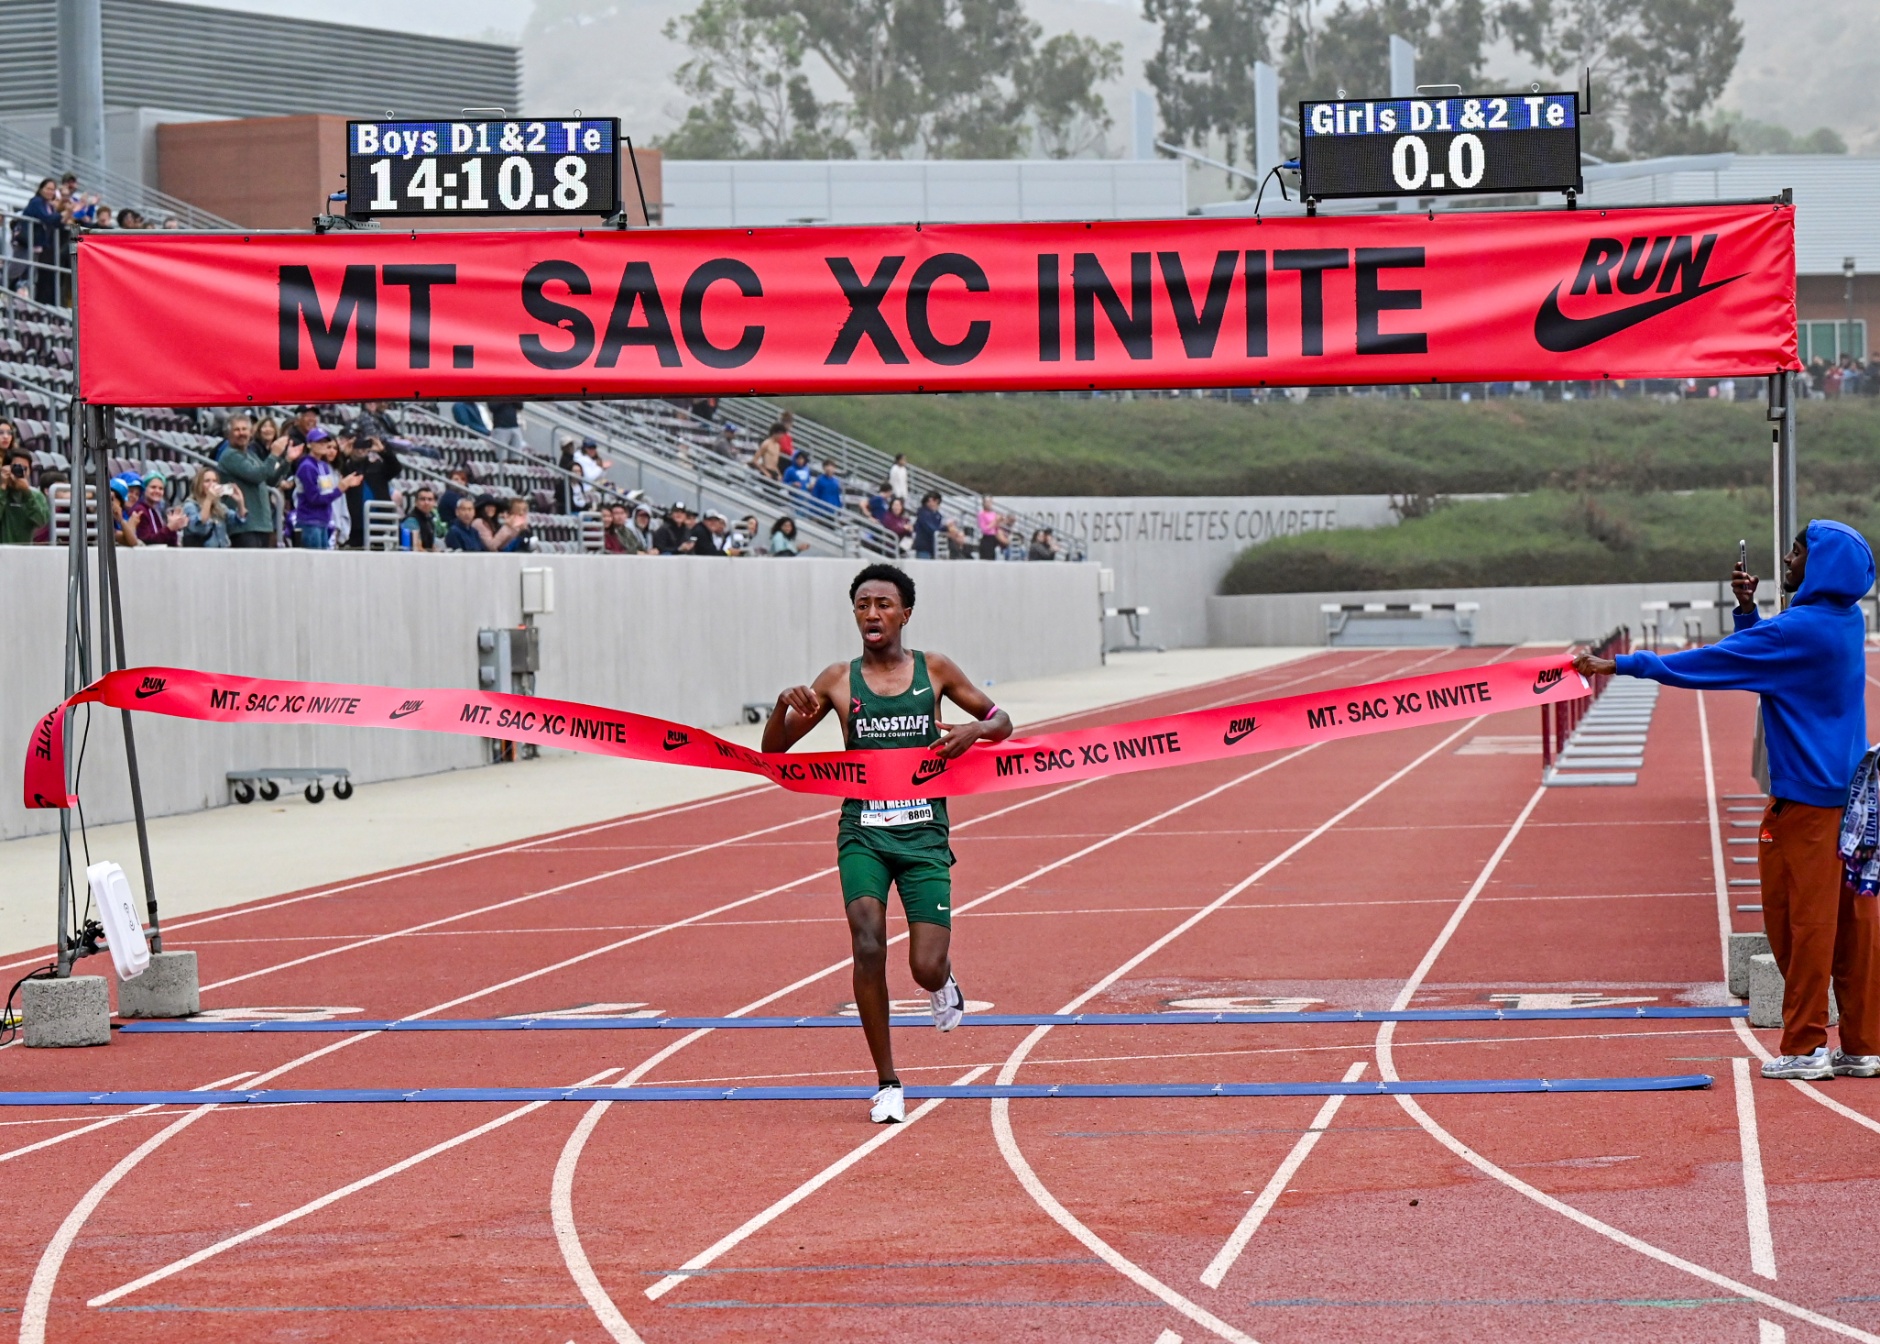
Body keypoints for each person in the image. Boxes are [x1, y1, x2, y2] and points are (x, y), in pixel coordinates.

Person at [1575, 522, 1879, 1081]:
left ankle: (1808, 1046)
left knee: (1800, 928)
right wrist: (1748, 613)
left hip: (1807, 808)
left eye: (1797, 552)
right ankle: (1861, 1046)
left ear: (1823, 566)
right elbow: (1770, 659)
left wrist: (1620, 664)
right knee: (1853, 927)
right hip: (1853, 802)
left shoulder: (1796, 631)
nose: (1786, 559)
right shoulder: (1842, 620)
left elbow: (1715, 664)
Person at [762, 564, 1013, 1124]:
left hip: (924, 834)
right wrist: (782, 705)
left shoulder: (936, 670)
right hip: (863, 833)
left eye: (883, 604)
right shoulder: (835, 680)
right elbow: (775, 756)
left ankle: (942, 981)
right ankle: (888, 1082)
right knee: (868, 943)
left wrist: (974, 730)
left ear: (904, 614)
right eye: (862, 605)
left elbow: (1002, 722)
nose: (872, 614)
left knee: (923, 967)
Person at [216, 412, 291, 548]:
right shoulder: (230, 456)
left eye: (244, 429)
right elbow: (257, 475)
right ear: (228, 434)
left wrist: (287, 460)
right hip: (244, 526)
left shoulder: (250, 455)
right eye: (236, 429)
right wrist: (274, 454)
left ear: (251, 432)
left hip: (262, 524)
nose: (241, 433)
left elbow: (269, 480)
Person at [291, 429, 360, 550]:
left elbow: (326, 494)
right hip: (309, 521)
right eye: (319, 442)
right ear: (309, 444)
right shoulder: (307, 466)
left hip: (323, 521)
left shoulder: (323, 466)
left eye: (325, 442)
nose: (323, 445)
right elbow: (314, 498)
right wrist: (340, 489)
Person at [181, 467, 245, 548]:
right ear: (199, 484)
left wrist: (240, 502)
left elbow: (238, 520)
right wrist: (208, 499)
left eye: (214, 481)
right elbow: (198, 527)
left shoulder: (219, 506)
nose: (212, 484)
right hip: (203, 553)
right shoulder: (190, 505)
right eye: (207, 481)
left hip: (222, 551)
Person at [0, 445, 48, 545]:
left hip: (24, 553)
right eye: (16, 467)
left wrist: (27, 493)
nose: (21, 472)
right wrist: (2, 488)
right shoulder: (1, 491)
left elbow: (41, 521)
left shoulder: (36, 495)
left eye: (25, 469)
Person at [132, 474, 185, 546]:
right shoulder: (140, 510)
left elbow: (171, 544)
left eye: (161, 488)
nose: (157, 491)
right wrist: (169, 528)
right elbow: (146, 541)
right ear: (145, 489)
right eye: (153, 487)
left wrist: (173, 529)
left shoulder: (157, 511)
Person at [400, 486, 447, 551]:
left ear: (434, 503)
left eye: (430, 499)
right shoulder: (411, 521)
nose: (426, 502)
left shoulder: (430, 519)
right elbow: (416, 548)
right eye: (422, 499)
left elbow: (432, 544)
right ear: (416, 502)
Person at [912, 491, 945, 561]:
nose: (932, 503)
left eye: (935, 501)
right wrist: (944, 528)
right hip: (924, 547)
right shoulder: (923, 513)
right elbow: (931, 528)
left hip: (932, 547)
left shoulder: (937, 515)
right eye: (930, 501)